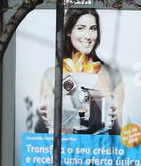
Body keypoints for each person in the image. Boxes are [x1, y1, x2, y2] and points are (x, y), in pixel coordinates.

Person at [38, 7, 123, 135]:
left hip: (97, 150)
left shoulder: (112, 75)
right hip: (65, 150)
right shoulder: (52, 75)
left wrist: (112, 118)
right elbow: (46, 127)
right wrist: (45, 116)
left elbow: (118, 132)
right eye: (80, 28)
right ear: (68, 31)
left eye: (93, 29)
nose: (88, 36)